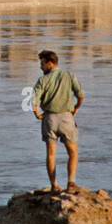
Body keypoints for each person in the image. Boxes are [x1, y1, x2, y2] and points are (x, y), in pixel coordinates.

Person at [31, 49, 84, 194]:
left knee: (51, 154)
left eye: (42, 63)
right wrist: (76, 109)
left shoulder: (42, 80)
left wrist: (37, 114)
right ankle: (71, 184)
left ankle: (54, 185)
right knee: (73, 152)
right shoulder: (69, 75)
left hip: (49, 119)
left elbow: (34, 102)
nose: (40, 67)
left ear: (50, 63)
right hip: (67, 117)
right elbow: (81, 95)